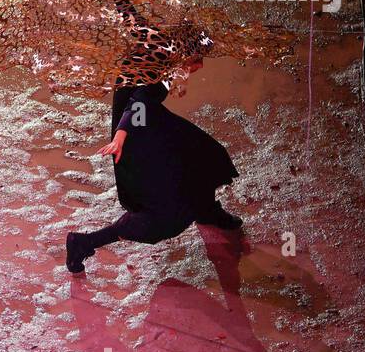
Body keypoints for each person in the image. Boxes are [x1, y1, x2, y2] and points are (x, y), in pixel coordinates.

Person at [65, 23, 243, 274]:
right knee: (162, 215)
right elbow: (140, 101)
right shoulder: (164, 75)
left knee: (203, 154)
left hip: (149, 122)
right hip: (137, 134)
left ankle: (206, 210)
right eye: (195, 59)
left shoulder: (158, 43)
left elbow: (134, 21)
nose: (199, 66)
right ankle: (83, 242)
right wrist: (121, 135)